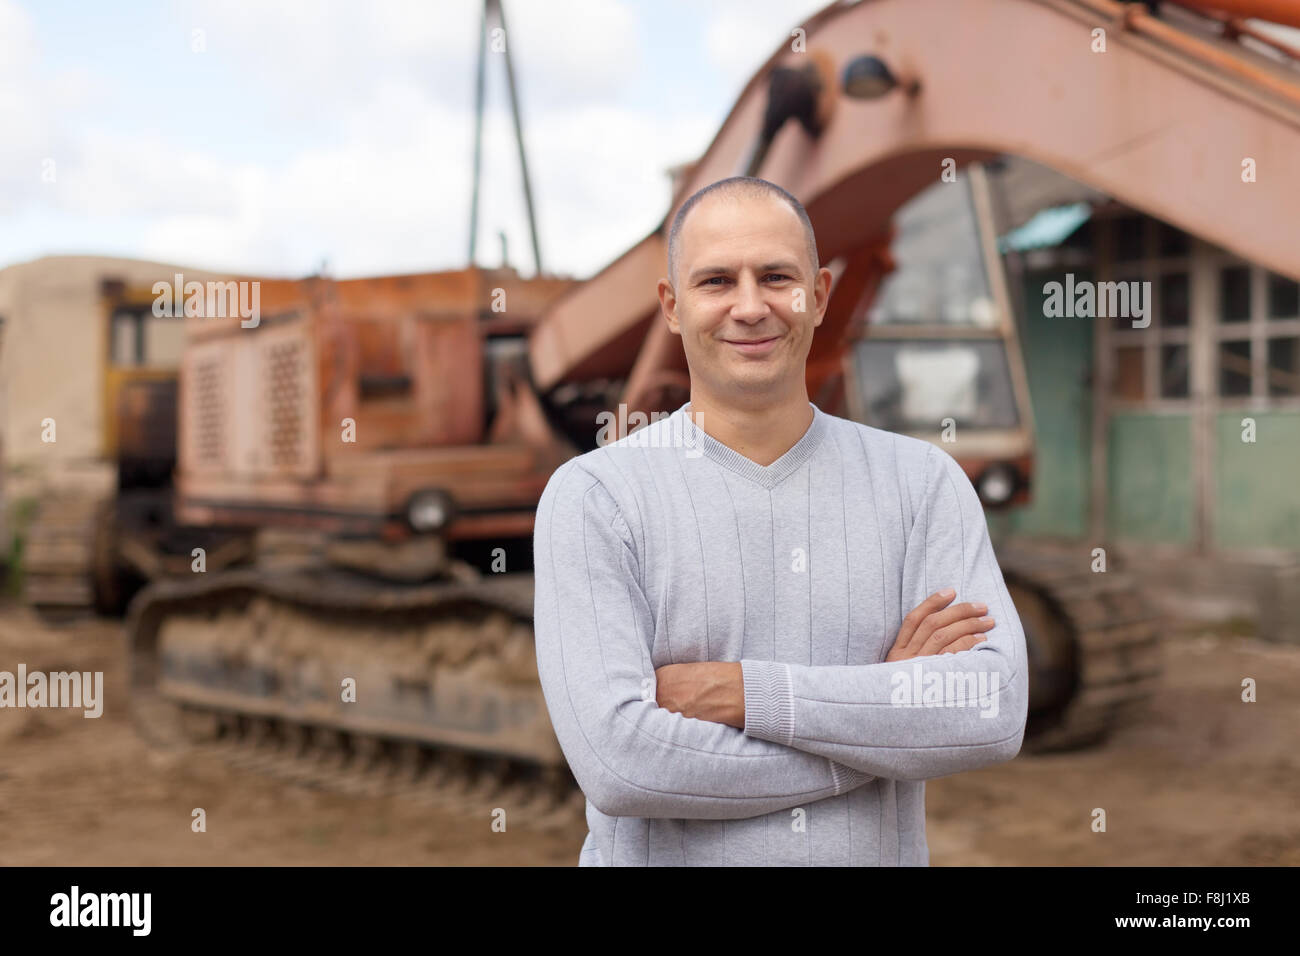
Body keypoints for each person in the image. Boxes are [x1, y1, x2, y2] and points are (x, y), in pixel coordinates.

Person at [532, 176, 1027, 866]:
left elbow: (989, 711)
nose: (749, 306)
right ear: (672, 308)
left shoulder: (921, 484)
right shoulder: (596, 498)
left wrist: (745, 695)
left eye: (775, 277)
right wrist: (880, 731)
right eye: (715, 282)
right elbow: (623, 766)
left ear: (818, 296)